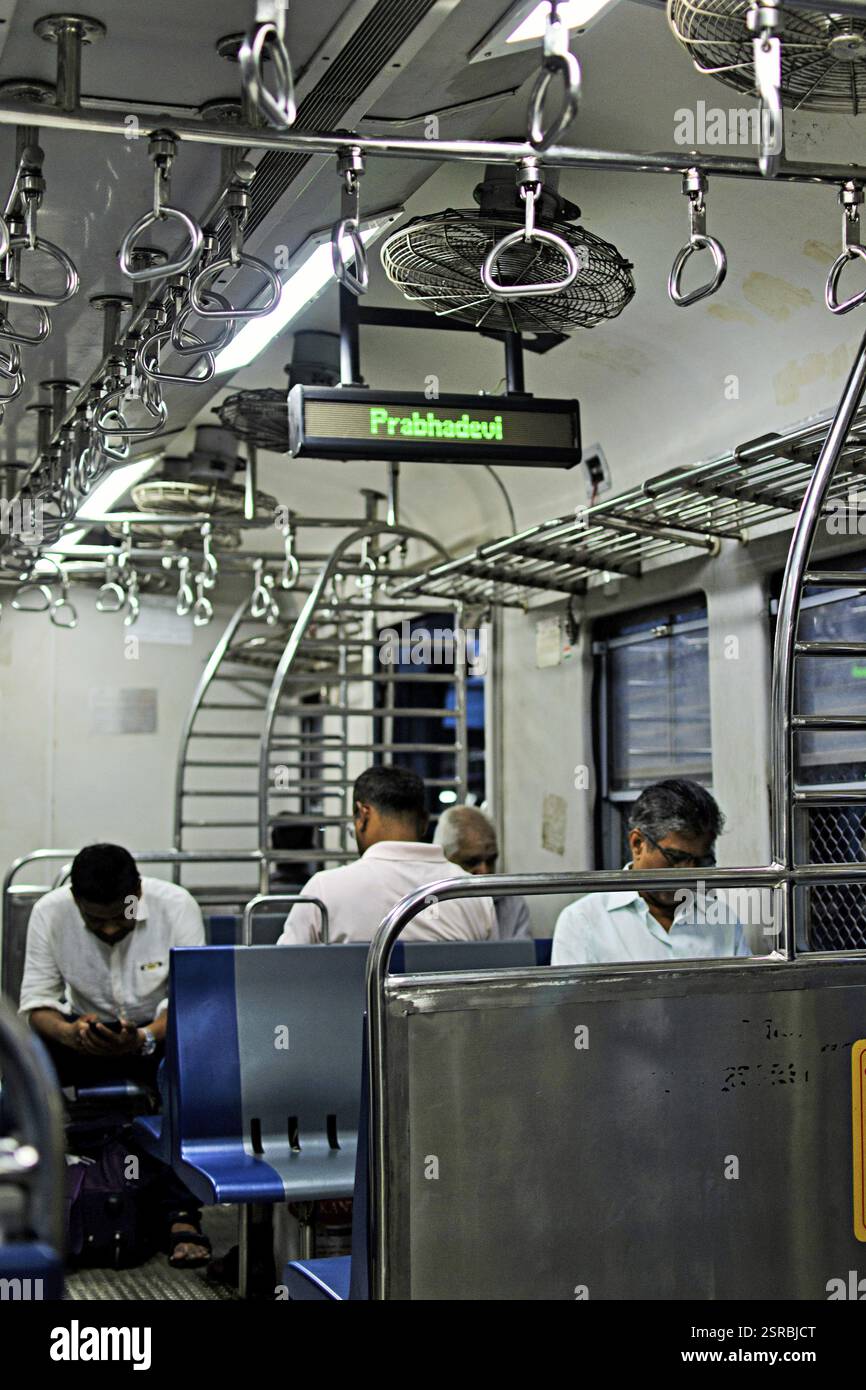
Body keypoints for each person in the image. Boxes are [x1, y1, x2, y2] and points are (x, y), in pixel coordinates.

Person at [19, 843, 210, 1267]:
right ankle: (42, 1203)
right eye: (94, 921)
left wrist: (143, 1037)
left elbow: (190, 998)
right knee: (25, 1061)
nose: (107, 931)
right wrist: (70, 1032)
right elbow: (37, 1003)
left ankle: (181, 1214)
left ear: (137, 894)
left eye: (116, 919)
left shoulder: (176, 907)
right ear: (75, 900)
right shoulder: (51, 914)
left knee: (193, 1059)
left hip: (160, 1035)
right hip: (84, 1035)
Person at [278, 765, 495, 944]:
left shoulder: (324, 892)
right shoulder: (471, 893)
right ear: (423, 822)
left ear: (363, 814)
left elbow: (286, 974)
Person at [552, 779, 750, 965]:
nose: (689, 872)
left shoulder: (723, 921)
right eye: (675, 857)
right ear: (638, 844)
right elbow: (572, 1002)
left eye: (700, 861)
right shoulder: (583, 922)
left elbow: (746, 999)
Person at [434, 803, 531, 939]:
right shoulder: (428, 902)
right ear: (445, 857)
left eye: (490, 860)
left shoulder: (511, 904)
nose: (484, 870)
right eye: (471, 861)